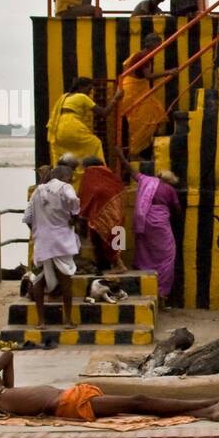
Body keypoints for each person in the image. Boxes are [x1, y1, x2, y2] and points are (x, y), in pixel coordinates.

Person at [0, 351, 219, 422]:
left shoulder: (1, 389)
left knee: (136, 400)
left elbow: (8, 356)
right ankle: (208, 406)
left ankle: (208, 409)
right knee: (138, 399)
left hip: (74, 394)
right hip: (67, 405)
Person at [23, 163, 81, 331]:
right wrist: (74, 216)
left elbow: (27, 217)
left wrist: (37, 232)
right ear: (65, 176)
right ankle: (68, 320)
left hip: (42, 241)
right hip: (62, 240)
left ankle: (41, 322)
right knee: (66, 280)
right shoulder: (65, 187)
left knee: (39, 279)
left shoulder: (37, 191)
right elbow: (72, 199)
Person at [45, 76, 122, 178]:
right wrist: (115, 99)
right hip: (71, 126)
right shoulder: (82, 96)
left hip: (57, 129)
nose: (90, 93)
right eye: (89, 89)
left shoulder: (63, 97)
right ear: (81, 87)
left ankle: (68, 176)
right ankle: (99, 175)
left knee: (66, 152)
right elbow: (104, 113)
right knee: (95, 144)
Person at [116, 32, 172, 158]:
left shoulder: (142, 54)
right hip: (132, 92)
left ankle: (144, 152)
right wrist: (169, 72)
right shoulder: (144, 56)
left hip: (135, 90)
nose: (160, 47)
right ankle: (136, 154)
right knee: (142, 123)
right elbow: (148, 76)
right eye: (159, 44)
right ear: (153, 44)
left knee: (157, 114)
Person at [134, 167, 182, 305]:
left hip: (143, 222)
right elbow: (177, 208)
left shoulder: (146, 182)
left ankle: (144, 285)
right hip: (160, 223)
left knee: (144, 251)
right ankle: (161, 293)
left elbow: (132, 172)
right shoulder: (169, 189)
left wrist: (119, 155)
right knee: (168, 256)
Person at [77, 156, 128, 273]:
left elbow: (85, 195)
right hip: (118, 211)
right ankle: (111, 265)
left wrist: (81, 214)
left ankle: (119, 265)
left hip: (101, 215)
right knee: (117, 236)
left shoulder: (91, 174)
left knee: (100, 239)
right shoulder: (110, 175)